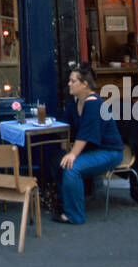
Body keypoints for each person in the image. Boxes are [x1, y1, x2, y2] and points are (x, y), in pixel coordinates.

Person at [52, 63, 123, 224]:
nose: (69, 84)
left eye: (73, 81)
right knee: (56, 160)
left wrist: (72, 154)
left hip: (110, 152)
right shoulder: (75, 102)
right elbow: (65, 125)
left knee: (72, 167)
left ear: (84, 84)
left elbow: (85, 134)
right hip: (92, 150)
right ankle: (65, 204)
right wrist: (65, 145)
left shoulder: (93, 103)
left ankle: (74, 215)